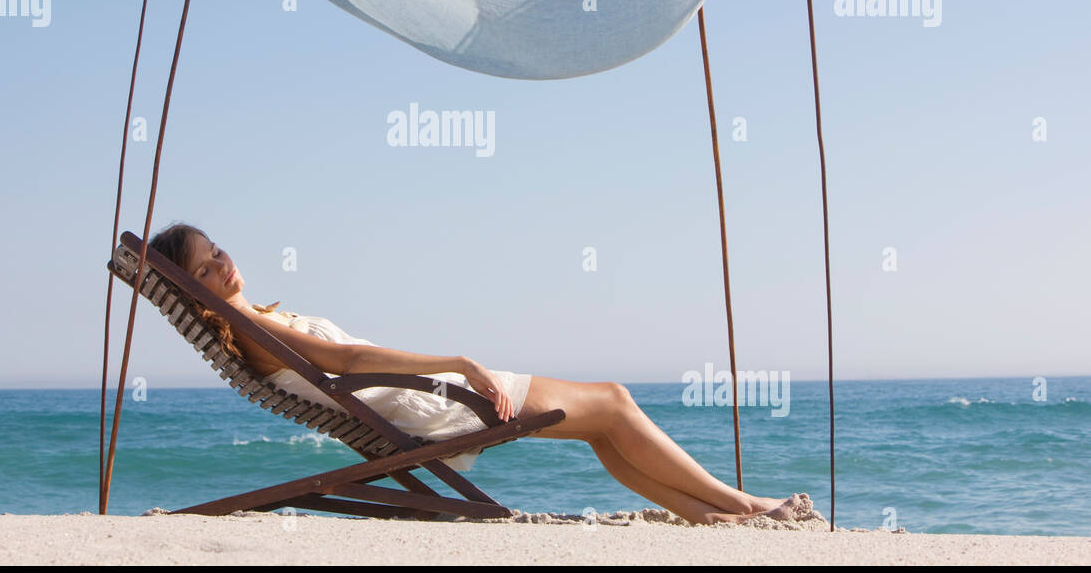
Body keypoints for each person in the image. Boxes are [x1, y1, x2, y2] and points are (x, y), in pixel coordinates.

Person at [148, 221, 819, 526]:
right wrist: (461, 365)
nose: (221, 268)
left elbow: (346, 370)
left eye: (218, 253)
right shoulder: (258, 330)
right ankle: (741, 506)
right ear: (193, 289)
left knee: (604, 425)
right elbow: (349, 362)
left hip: (414, 403)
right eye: (204, 270)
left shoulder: (253, 325)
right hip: (434, 404)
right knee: (613, 404)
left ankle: (718, 513)